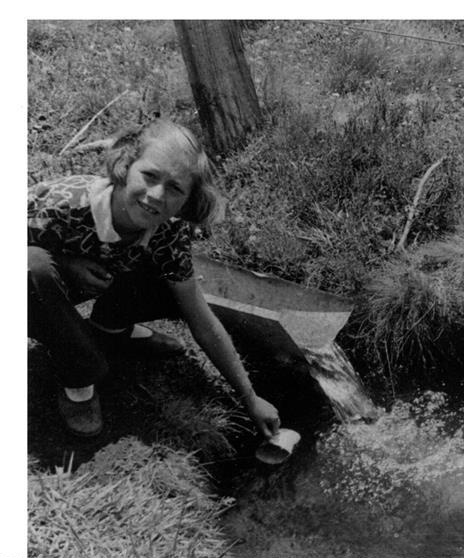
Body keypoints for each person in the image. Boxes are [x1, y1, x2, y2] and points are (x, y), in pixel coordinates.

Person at [27, 119, 280, 440]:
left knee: (174, 282)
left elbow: (199, 315)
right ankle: (79, 378)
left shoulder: (169, 228)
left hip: (95, 279)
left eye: (175, 188)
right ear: (125, 166)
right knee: (32, 267)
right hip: (35, 290)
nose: (157, 195)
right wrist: (64, 262)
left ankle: (110, 328)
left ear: (188, 200)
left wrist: (250, 396)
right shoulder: (64, 204)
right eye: (149, 176)